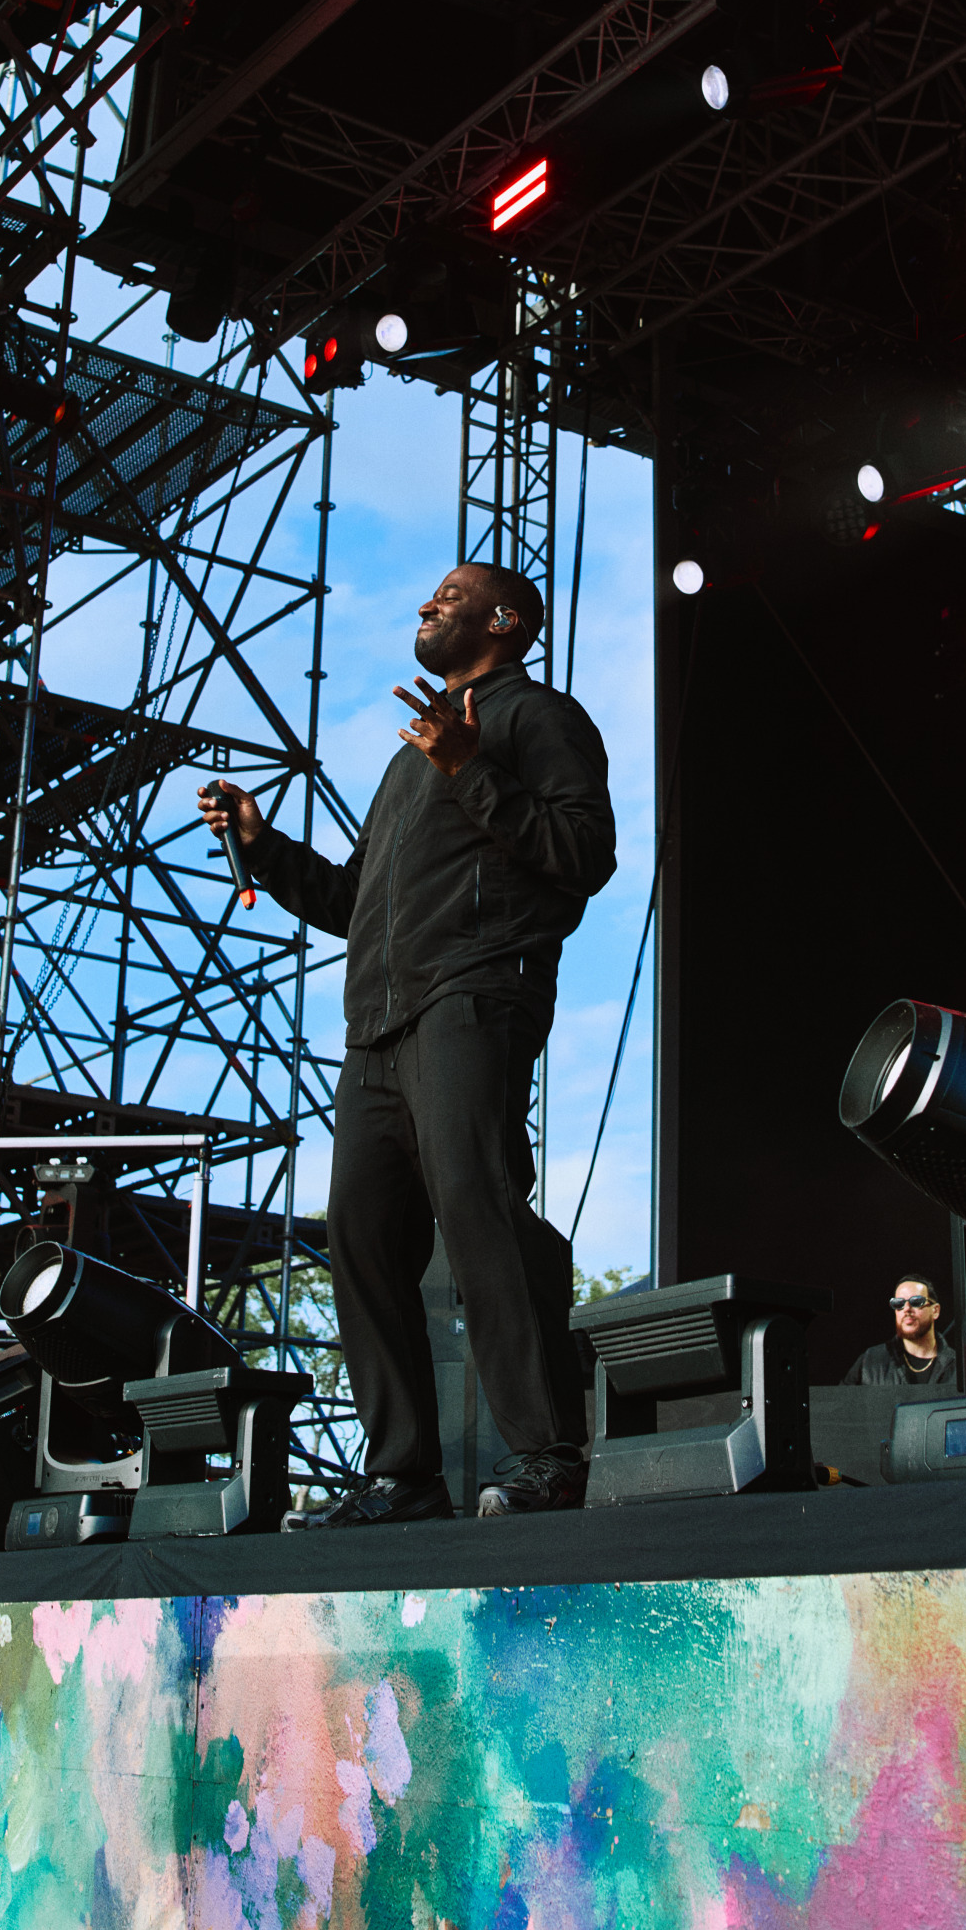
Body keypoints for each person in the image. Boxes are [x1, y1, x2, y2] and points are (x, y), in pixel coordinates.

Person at [197, 561, 615, 1526]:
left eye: (450, 597)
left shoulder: (533, 719)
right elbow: (354, 903)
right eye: (426, 594)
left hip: (472, 996)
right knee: (360, 1234)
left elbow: (583, 856)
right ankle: (403, 1476)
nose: (426, 603)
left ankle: (548, 1455)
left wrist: (470, 769)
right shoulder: (409, 758)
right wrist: (263, 848)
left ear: (504, 620)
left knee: (478, 1208)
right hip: (377, 1025)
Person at [842, 1274, 956, 1387]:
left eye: (916, 1301)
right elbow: (840, 1403)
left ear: (935, 1311)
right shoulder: (870, 1361)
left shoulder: (958, 1365)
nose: (906, 1309)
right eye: (899, 1303)